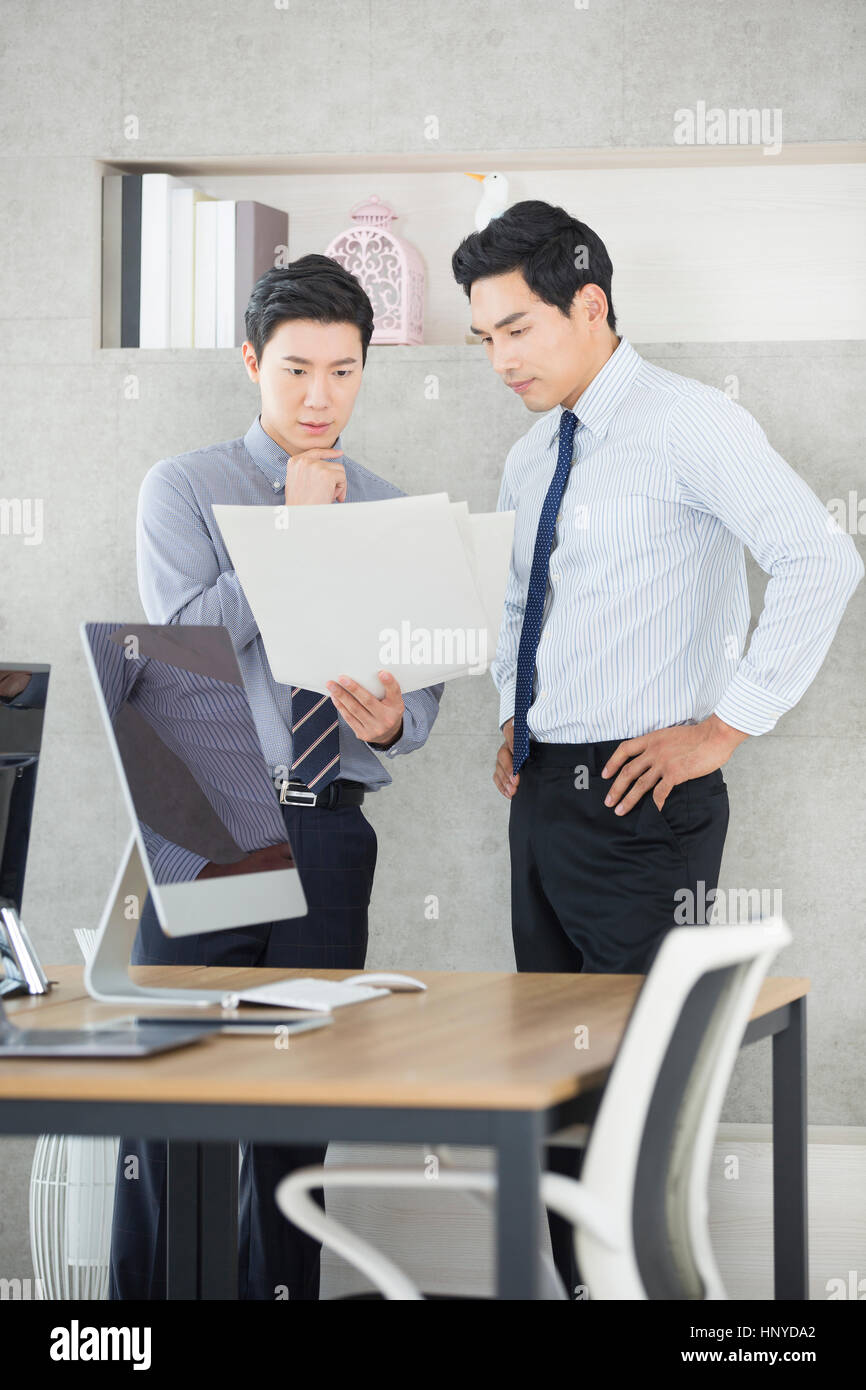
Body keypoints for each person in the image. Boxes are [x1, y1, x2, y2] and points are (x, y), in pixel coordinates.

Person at [451, 199, 864, 1295]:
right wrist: (511, 710)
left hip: (639, 802)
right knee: (554, 1078)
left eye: (517, 329)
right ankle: (581, 1290)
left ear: (589, 305)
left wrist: (724, 725)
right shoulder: (534, 450)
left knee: (626, 1089)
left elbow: (820, 561)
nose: (500, 359)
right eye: (483, 337)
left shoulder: (689, 423)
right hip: (540, 792)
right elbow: (514, 598)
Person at [109, 255, 444, 1301]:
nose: (317, 396)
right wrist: (290, 531)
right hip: (206, 809)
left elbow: (418, 694)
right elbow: (176, 654)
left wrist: (397, 719)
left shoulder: (392, 509)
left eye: (342, 372)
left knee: (295, 1124)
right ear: (252, 361)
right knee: (172, 1113)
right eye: (296, 368)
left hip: (330, 826)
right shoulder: (185, 486)